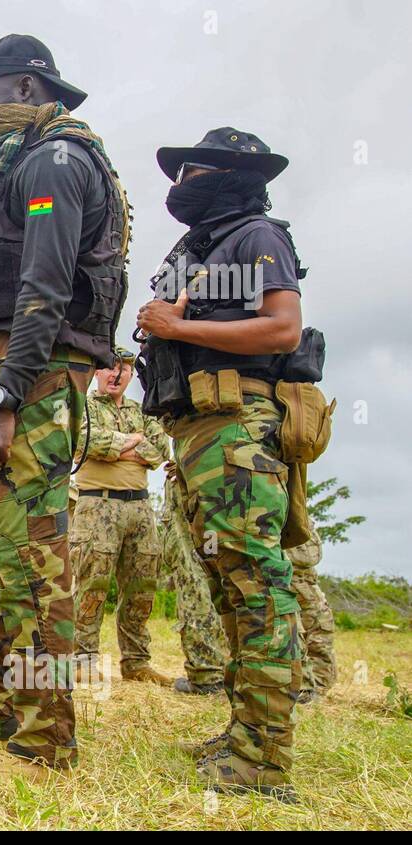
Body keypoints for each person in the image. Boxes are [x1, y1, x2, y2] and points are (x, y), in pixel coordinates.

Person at [0, 35, 130, 776]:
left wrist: (4, 396)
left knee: (32, 561)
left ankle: (46, 733)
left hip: (36, 378)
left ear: (26, 86)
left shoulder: (54, 162)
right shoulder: (25, 162)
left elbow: (45, 288)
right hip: (13, 368)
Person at [137, 126, 306, 800]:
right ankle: (244, 733)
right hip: (198, 432)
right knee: (226, 584)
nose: (180, 186)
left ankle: (266, 759)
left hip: (237, 425)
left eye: (194, 173)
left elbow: (282, 327)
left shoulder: (257, 235)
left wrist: (179, 328)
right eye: (177, 175)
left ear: (233, 175)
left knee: (257, 585)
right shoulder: (204, 247)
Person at [69, 350, 172, 686]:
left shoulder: (142, 410)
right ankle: (82, 660)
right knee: (91, 584)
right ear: (97, 372)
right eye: (109, 368)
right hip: (97, 505)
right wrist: (131, 443)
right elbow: (83, 441)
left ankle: (137, 662)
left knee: (142, 585)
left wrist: (115, 448)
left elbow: (160, 449)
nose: (115, 375)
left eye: (123, 369)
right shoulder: (81, 407)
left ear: (130, 374)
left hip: (140, 508)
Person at [159, 462, 228, 695]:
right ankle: (264, 675)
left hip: (200, 475)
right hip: (242, 480)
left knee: (195, 574)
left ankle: (207, 674)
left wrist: (189, 461)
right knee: (242, 574)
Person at [287, 526, 335, 703]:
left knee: (320, 637)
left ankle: (315, 691)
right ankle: (303, 689)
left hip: (306, 584)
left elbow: (310, 556)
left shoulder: (298, 514)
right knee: (292, 637)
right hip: (284, 582)